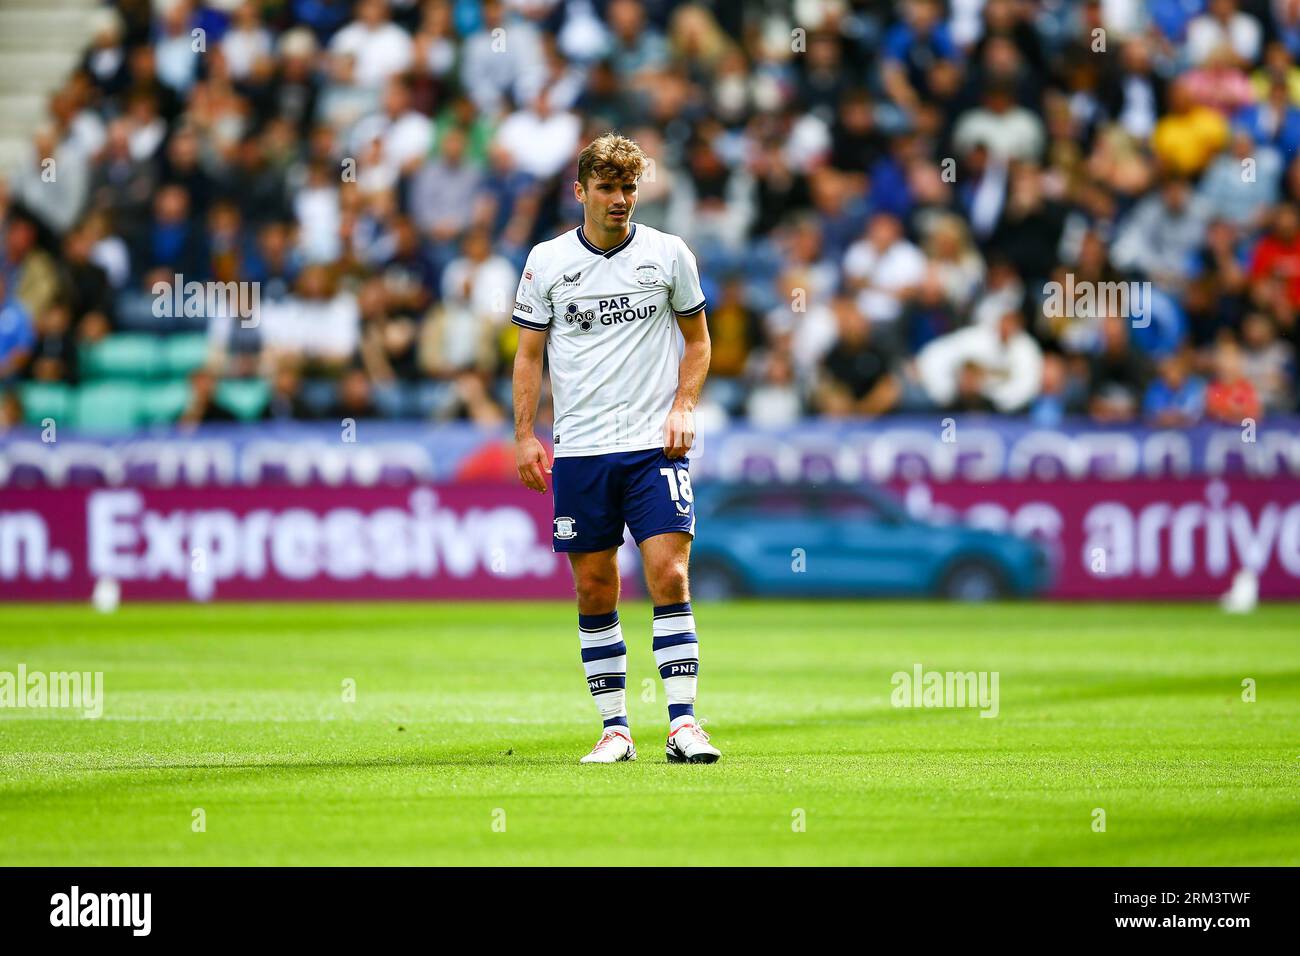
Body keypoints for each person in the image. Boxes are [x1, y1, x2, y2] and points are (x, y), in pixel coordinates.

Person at [511, 133, 720, 765]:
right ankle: (616, 730)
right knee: (596, 586)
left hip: (653, 446)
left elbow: (700, 341)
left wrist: (684, 405)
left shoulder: (669, 254)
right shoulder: (546, 262)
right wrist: (524, 434)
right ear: (580, 192)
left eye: (629, 187)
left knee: (669, 572)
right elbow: (528, 354)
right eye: (607, 188)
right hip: (580, 450)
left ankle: (684, 725)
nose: (620, 199)